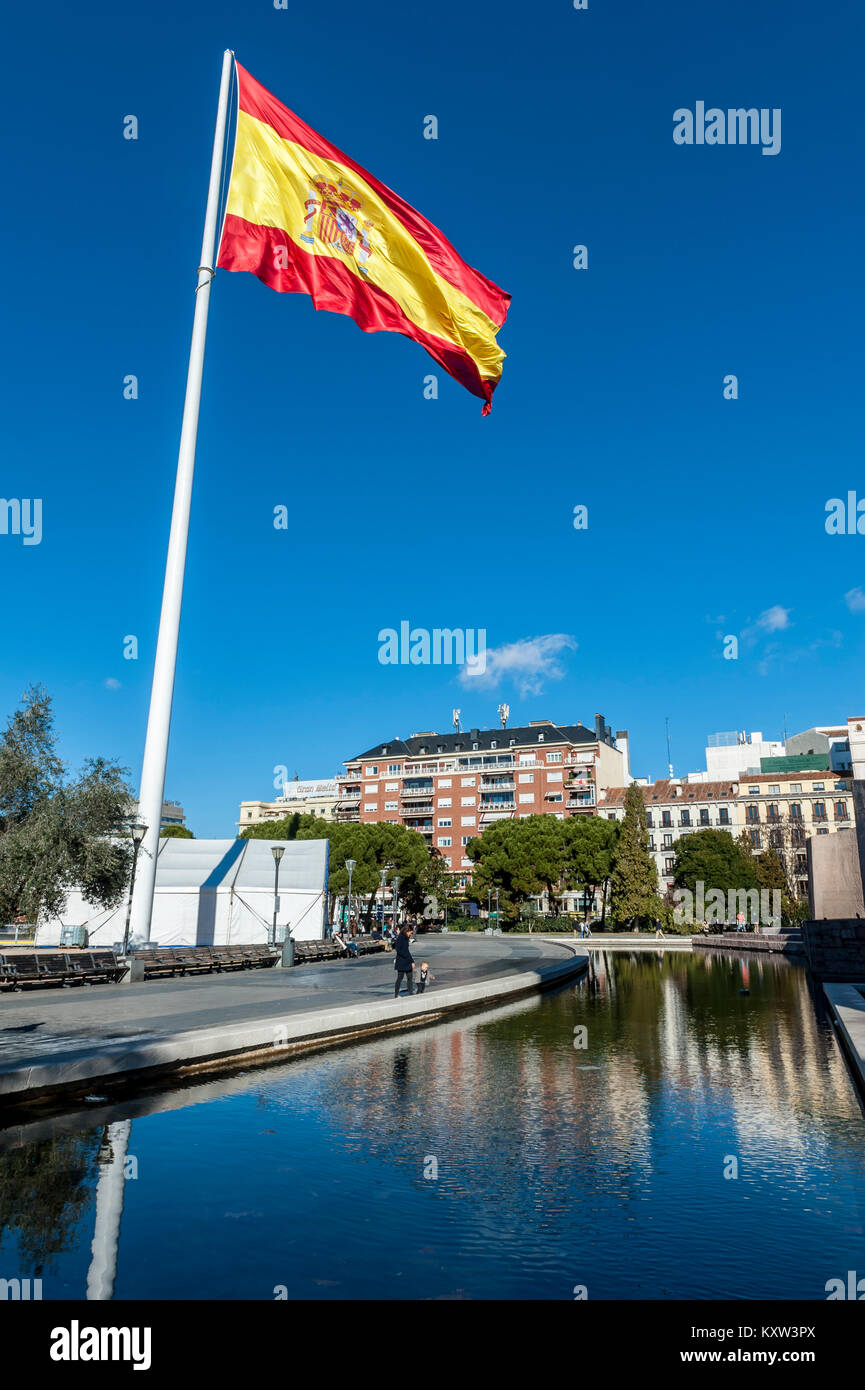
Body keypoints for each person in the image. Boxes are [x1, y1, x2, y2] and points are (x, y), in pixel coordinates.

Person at [393, 925, 415, 997]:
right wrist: (411, 961)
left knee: (409, 977)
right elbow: (400, 950)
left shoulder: (405, 937)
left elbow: (405, 950)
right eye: (410, 933)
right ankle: (396, 994)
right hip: (402, 961)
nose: (411, 935)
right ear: (407, 931)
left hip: (406, 960)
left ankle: (410, 993)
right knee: (400, 978)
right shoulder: (401, 938)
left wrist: (410, 960)